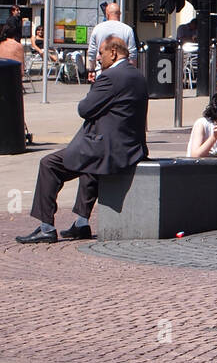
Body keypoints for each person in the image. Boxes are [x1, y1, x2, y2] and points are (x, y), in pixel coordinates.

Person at [15, 36, 148, 243]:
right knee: (90, 167)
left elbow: (84, 109)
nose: (98, 59)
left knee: (49, 165)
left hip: (107, 149)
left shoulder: (111, 76)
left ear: (113, 52)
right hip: (130, 147)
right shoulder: (137, 76)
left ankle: (46, 227)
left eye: (101, 53)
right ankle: (81, 223)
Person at [86, 3, 137, 80]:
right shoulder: (128, 30)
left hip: (102, 71)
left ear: (107, 14)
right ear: (119, 14)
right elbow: (132, 54)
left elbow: (92, 52)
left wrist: (92, 69)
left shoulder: (97, 29)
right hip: (122, 73)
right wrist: (132, 72)